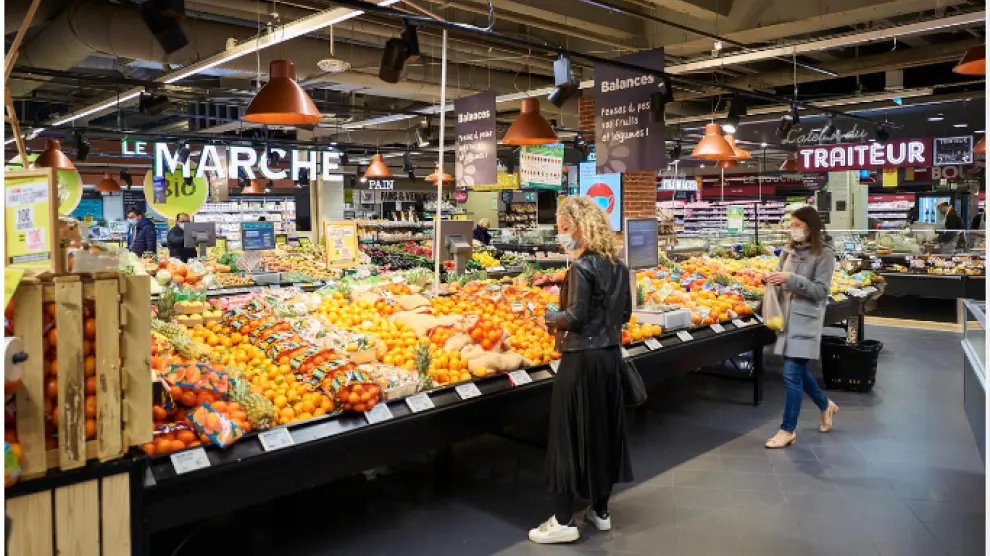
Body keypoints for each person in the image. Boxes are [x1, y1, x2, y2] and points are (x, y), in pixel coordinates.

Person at [529, 196, 632, 544]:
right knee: (602, 433)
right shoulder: (618, 266)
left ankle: (562, 521)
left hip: (580, 361)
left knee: (567, 436)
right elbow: (625, 315)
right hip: (609, 360)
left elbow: (573, 318)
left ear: (579, 227)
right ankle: (600, 511)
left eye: (563, 228)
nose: (561, 236)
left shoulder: (581, 268)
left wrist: (545, 315)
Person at [763, 206, 839, 449]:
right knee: (798, 371)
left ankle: (788, 430)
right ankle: (825, 405)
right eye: (791, 224)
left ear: (810, 227)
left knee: (791, 373)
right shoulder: (788, 250)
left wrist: (790, 280)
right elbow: (779, 274)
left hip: (806, 319)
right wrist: (771, 280)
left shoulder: (825, 254)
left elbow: (820, 291)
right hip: (785, 319)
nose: (792, 229)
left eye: (797, 224)